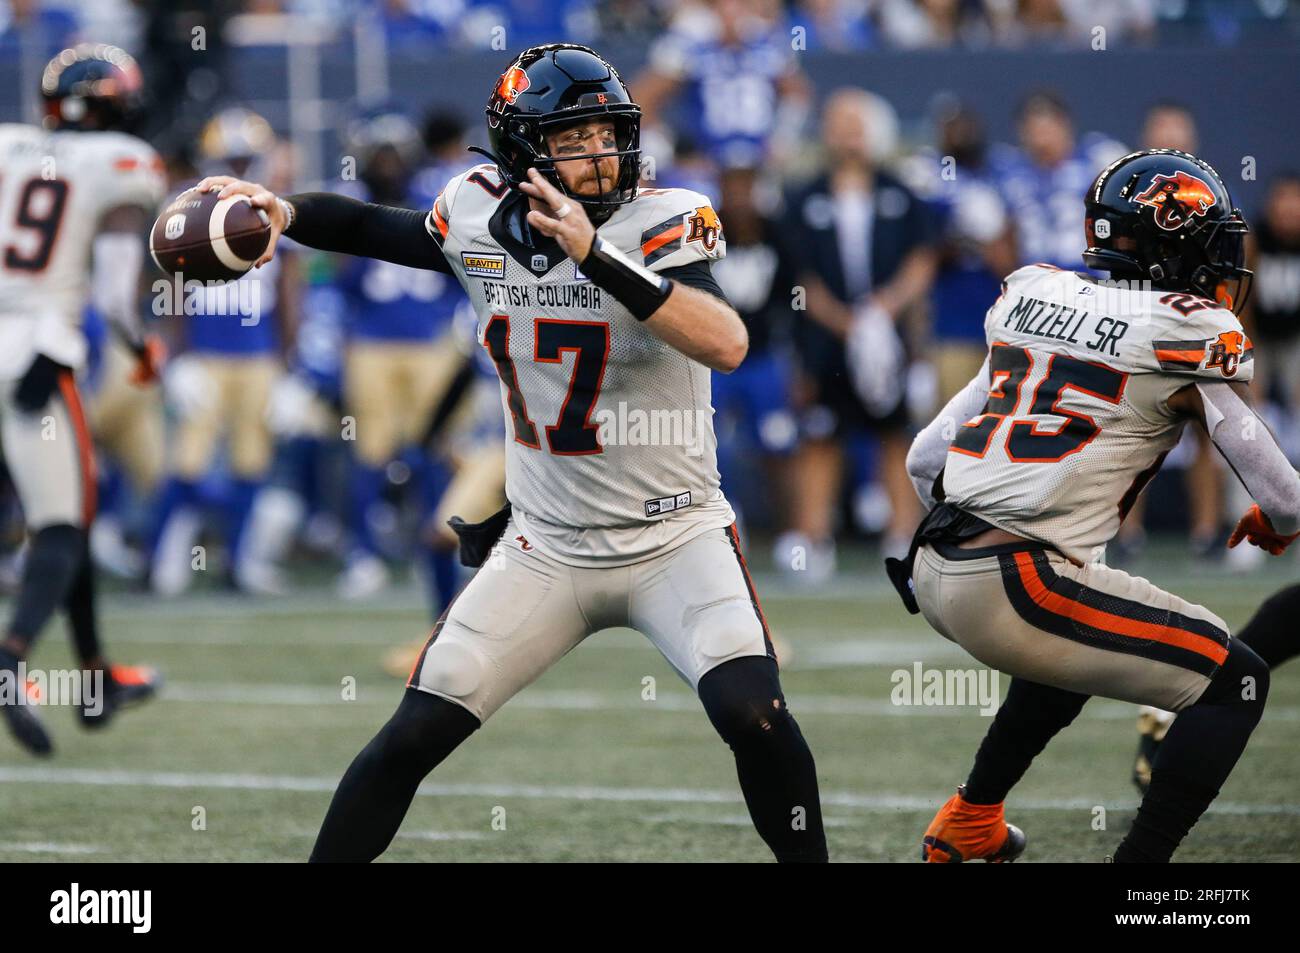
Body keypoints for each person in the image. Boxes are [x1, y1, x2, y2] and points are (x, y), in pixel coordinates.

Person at [200, 43, 827, 863]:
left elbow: (727, 342)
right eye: (573, 139)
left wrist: (594, 254)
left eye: (607, 133)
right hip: (548, 545)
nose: (600, 154)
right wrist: (281, 212)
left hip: (676, 537)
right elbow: (369, 227)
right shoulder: (472, 212)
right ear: (524, 151)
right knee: (415, 730)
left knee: (754, 713)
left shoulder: (667, 216)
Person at [893, 149, 1284, 862]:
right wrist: (1280, 521)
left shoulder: (1036, 294)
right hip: (1015, 583)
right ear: (1177, 245)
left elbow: (925, 456)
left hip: (933, 561)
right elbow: (1281, 494)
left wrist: (968, 542)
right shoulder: (1187, 331)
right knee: (1240, 679)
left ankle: (970, 821)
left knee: (1067, 654)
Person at [0, 44, 163, 755]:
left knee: (68, 509)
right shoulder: (121, 161)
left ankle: (95, 676)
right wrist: (137, 345)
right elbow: (113, 290)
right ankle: (8, 662)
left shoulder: (8, 144)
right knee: (63, 525)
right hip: (37, 352)